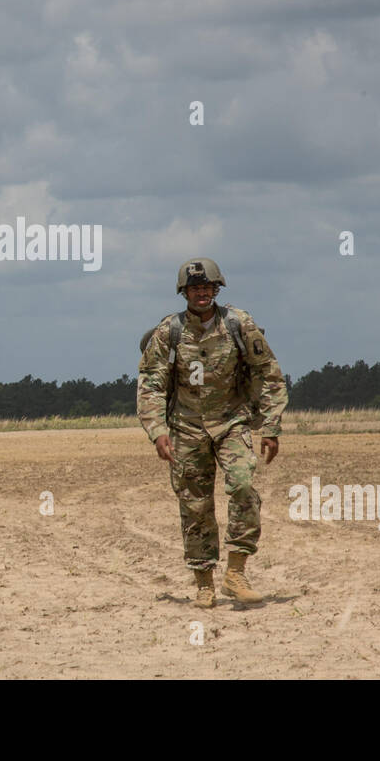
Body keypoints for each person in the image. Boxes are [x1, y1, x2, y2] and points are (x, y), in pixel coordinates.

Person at [137, 258, 288, 609]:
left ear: (216, 289)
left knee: (243, 485)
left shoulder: (239, 324)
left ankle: (236, 572)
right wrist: (157, 430)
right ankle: (204, 582)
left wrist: (270, 425)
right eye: (194, 289)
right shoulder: (168, 333)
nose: (201, 293)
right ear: (184, 292)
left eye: (207, 288)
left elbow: (268, 374)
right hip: (185, 428)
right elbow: (151, 385)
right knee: (195, 504)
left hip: (231, 421)